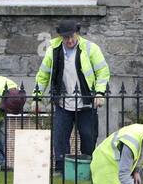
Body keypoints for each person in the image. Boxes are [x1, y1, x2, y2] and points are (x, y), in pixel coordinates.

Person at [35, 20, 111, 169]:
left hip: (86, 102)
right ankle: (61, 169)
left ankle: (88, 167)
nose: (69, 40)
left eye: (72, 36)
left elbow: (103, 72)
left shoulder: (90, 48)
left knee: (88, 137)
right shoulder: (53, 50)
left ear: (77, 33)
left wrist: (100, 92)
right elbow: (43, 75)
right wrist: (36, 98)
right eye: (65, 37)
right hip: (63, 103)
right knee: (60, 139)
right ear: (60, 37)